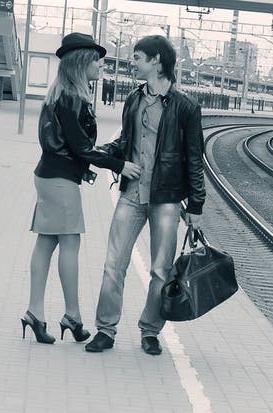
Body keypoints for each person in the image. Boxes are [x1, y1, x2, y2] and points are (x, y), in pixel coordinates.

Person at [85, 34, 206, 356]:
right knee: (114, 265)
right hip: (131, 195)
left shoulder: (186, 107)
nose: (132, 64)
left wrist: (197, 205)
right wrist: (105, 158)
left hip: (166, 199)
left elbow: (195, 158)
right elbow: (125, 140)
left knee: (160, 271)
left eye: (137, 58)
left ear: (156, 61)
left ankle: (150, 331)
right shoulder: (135, 100)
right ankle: (105, 330)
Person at [23, 32, 140, 344]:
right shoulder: (73, 98)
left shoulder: (60, 93)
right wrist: (119, 166)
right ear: (81, 62)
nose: (100, 65)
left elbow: (67, 146)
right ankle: (72, 315)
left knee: (46, 243)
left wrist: (82, 169)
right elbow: (80, 147)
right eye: (95, 59)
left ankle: (35, 312)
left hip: (50, 175)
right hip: (59, 182)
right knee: (70, 245)